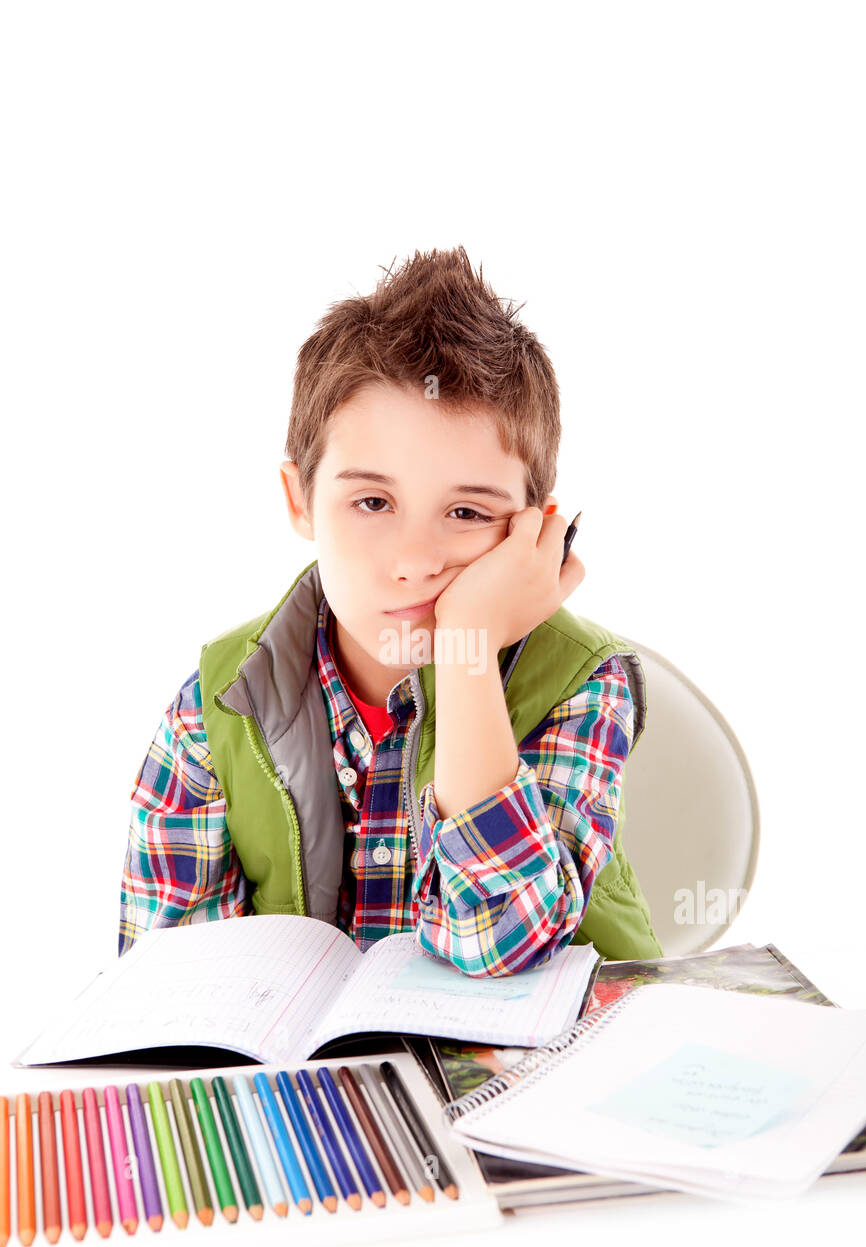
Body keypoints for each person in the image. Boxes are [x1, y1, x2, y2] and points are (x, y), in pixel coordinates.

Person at [119, 247, 661, 974]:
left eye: (466, 511)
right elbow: (165, 992)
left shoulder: (587, 686)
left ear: (534, 533)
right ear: (299, 500)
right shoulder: (216, 710)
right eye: (372, 502)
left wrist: (468, 649)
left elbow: (500, 941)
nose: (415, 559)